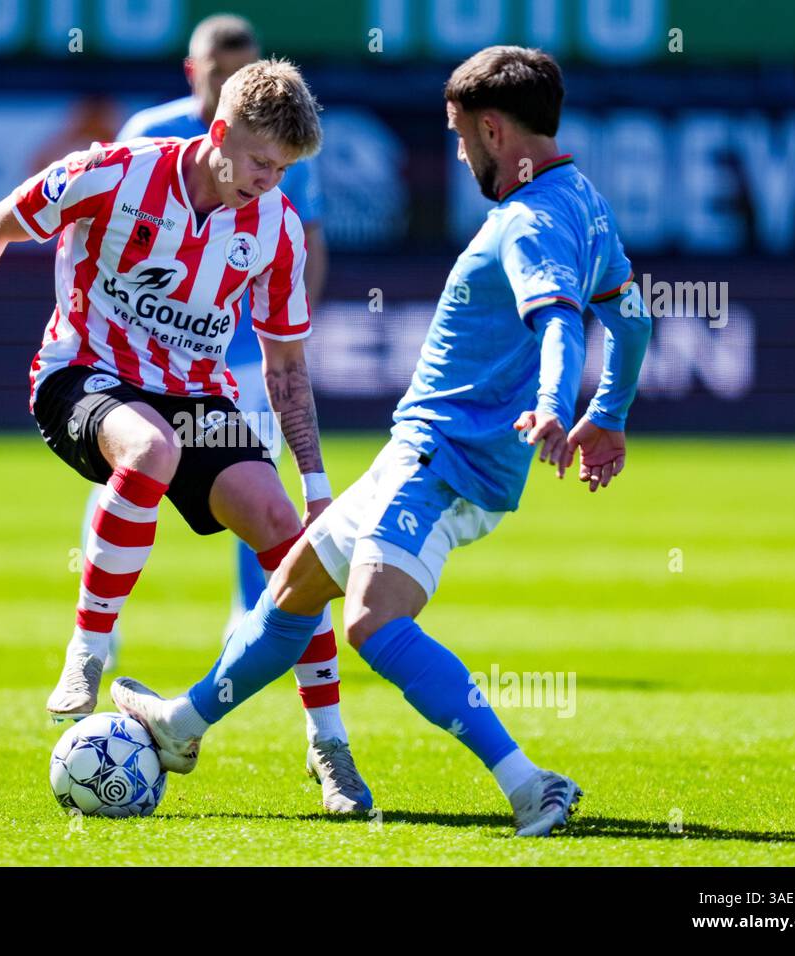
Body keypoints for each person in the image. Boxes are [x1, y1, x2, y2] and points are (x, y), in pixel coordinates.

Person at [110, 46, 653, 837]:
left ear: (494, 129)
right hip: (422, 451)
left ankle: (531, 785)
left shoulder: (530, 218)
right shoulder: (585, 203)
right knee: (296, 586)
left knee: (369, 622)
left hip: (445, 455)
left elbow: (561, 322)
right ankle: (180, 728)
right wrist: (610, 412)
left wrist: (552, 404)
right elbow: (630, 318)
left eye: (462, 134)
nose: (461, 150)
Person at [0, 58, 372, 813]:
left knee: (288, 535)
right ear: (218, 133)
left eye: (282, 169)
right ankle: (88, 652)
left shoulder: (275, 226)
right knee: (152, 451)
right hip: (82, 376)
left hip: (193, 395)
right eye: (258, 161)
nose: (268, 181)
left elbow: (285, 365)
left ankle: (330, 746)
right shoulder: (112, 173)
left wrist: (315, 486)